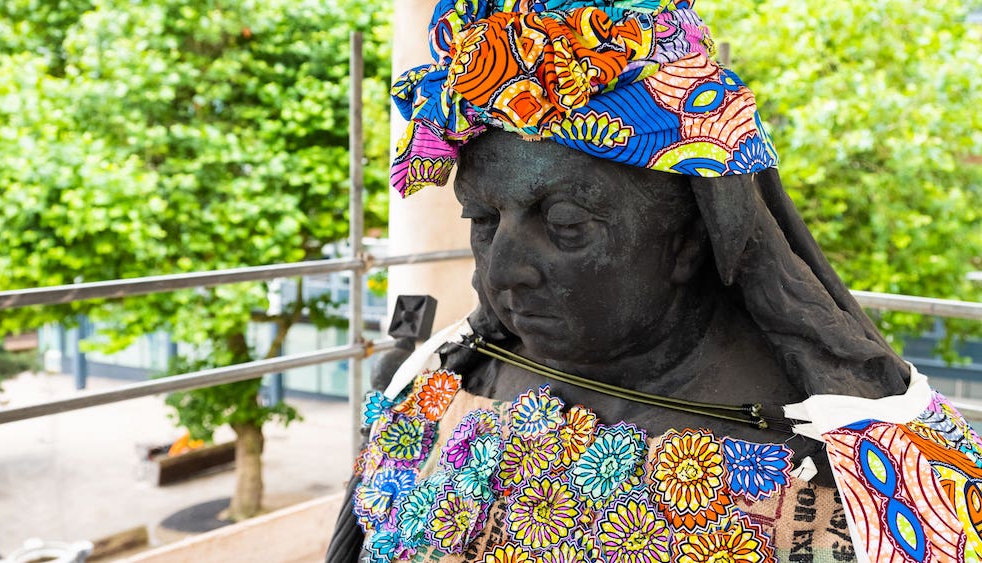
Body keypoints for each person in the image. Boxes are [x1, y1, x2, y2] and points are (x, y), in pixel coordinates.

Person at [327, 1, 982, 561]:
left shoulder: (867, 475)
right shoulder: (427, 389)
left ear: (692, 236)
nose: (502, 269)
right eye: (482, 218)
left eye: (565, 222)